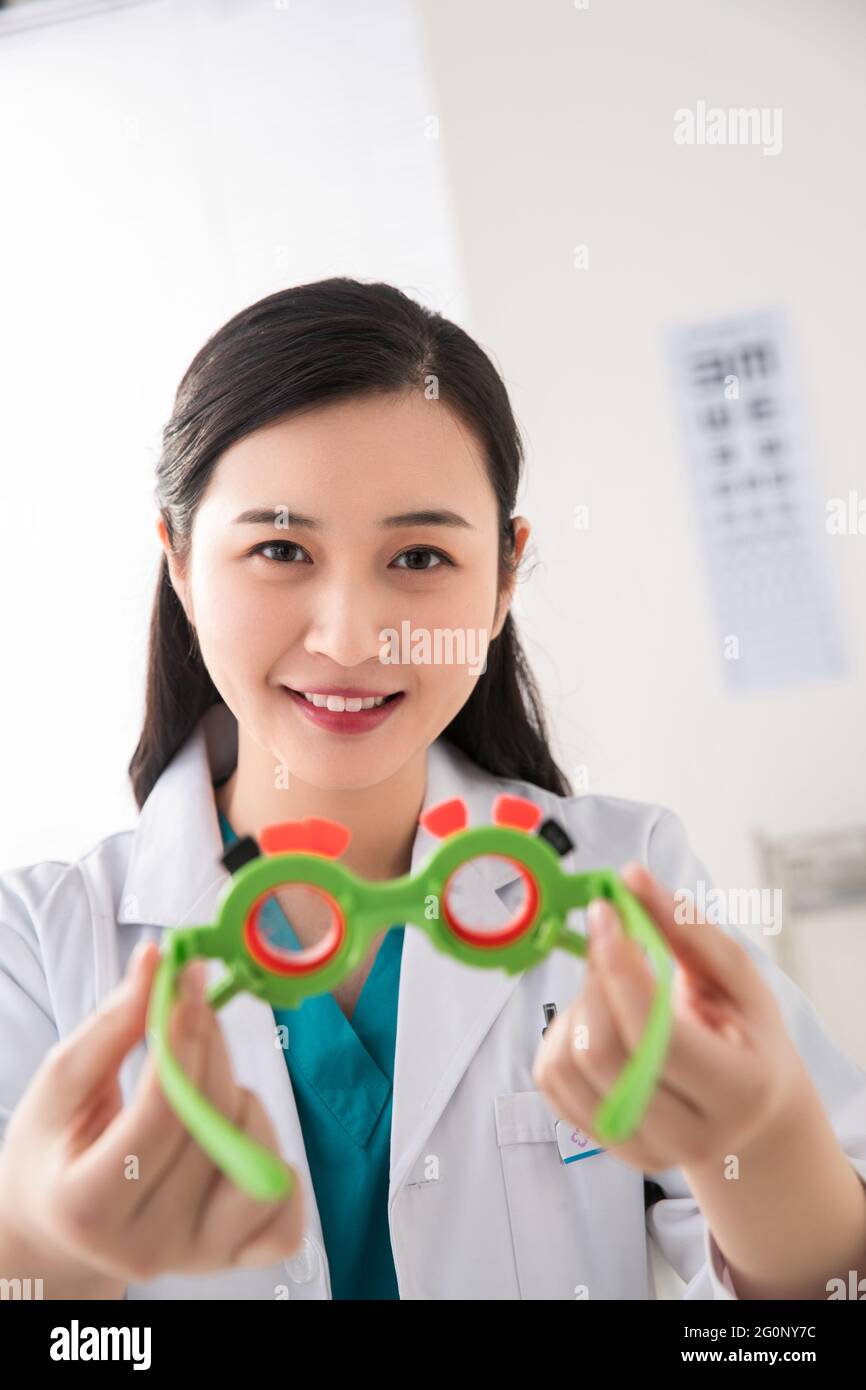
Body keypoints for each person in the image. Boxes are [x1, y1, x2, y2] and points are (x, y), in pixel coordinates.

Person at [1, 279, 864, 1300]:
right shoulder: (42, 949)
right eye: (280, 549)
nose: (352, 637)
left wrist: (760, 1147)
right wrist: (43, 1263)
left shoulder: (622, 878)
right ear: (181, 565)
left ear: (503, 577)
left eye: (419, 555)